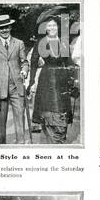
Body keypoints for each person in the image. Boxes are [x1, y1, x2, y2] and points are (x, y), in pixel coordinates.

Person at [27, 13, 80, 144]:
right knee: (49, 108)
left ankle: (59, 135)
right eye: (49, 26)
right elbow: (33, 63)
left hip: (62, 78)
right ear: (45, 28)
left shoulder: (63, 42)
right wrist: (32, 81)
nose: (51, 28)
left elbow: (69, 63)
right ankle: (52, 137)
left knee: (61, 108)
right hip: (47, 78)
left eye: (54, 25)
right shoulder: (40, 42)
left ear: (57, 27)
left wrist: (74, 82)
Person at [0, 13, 29, 144]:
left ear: (10, 28)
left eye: (6, 27)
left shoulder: (19, 43)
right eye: (1, 28)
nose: (4, 30)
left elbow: (24, 62)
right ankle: (1, 147)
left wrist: (24, 70)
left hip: (16, 86)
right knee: (0, 121)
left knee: (20, 118)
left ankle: (20, 144)